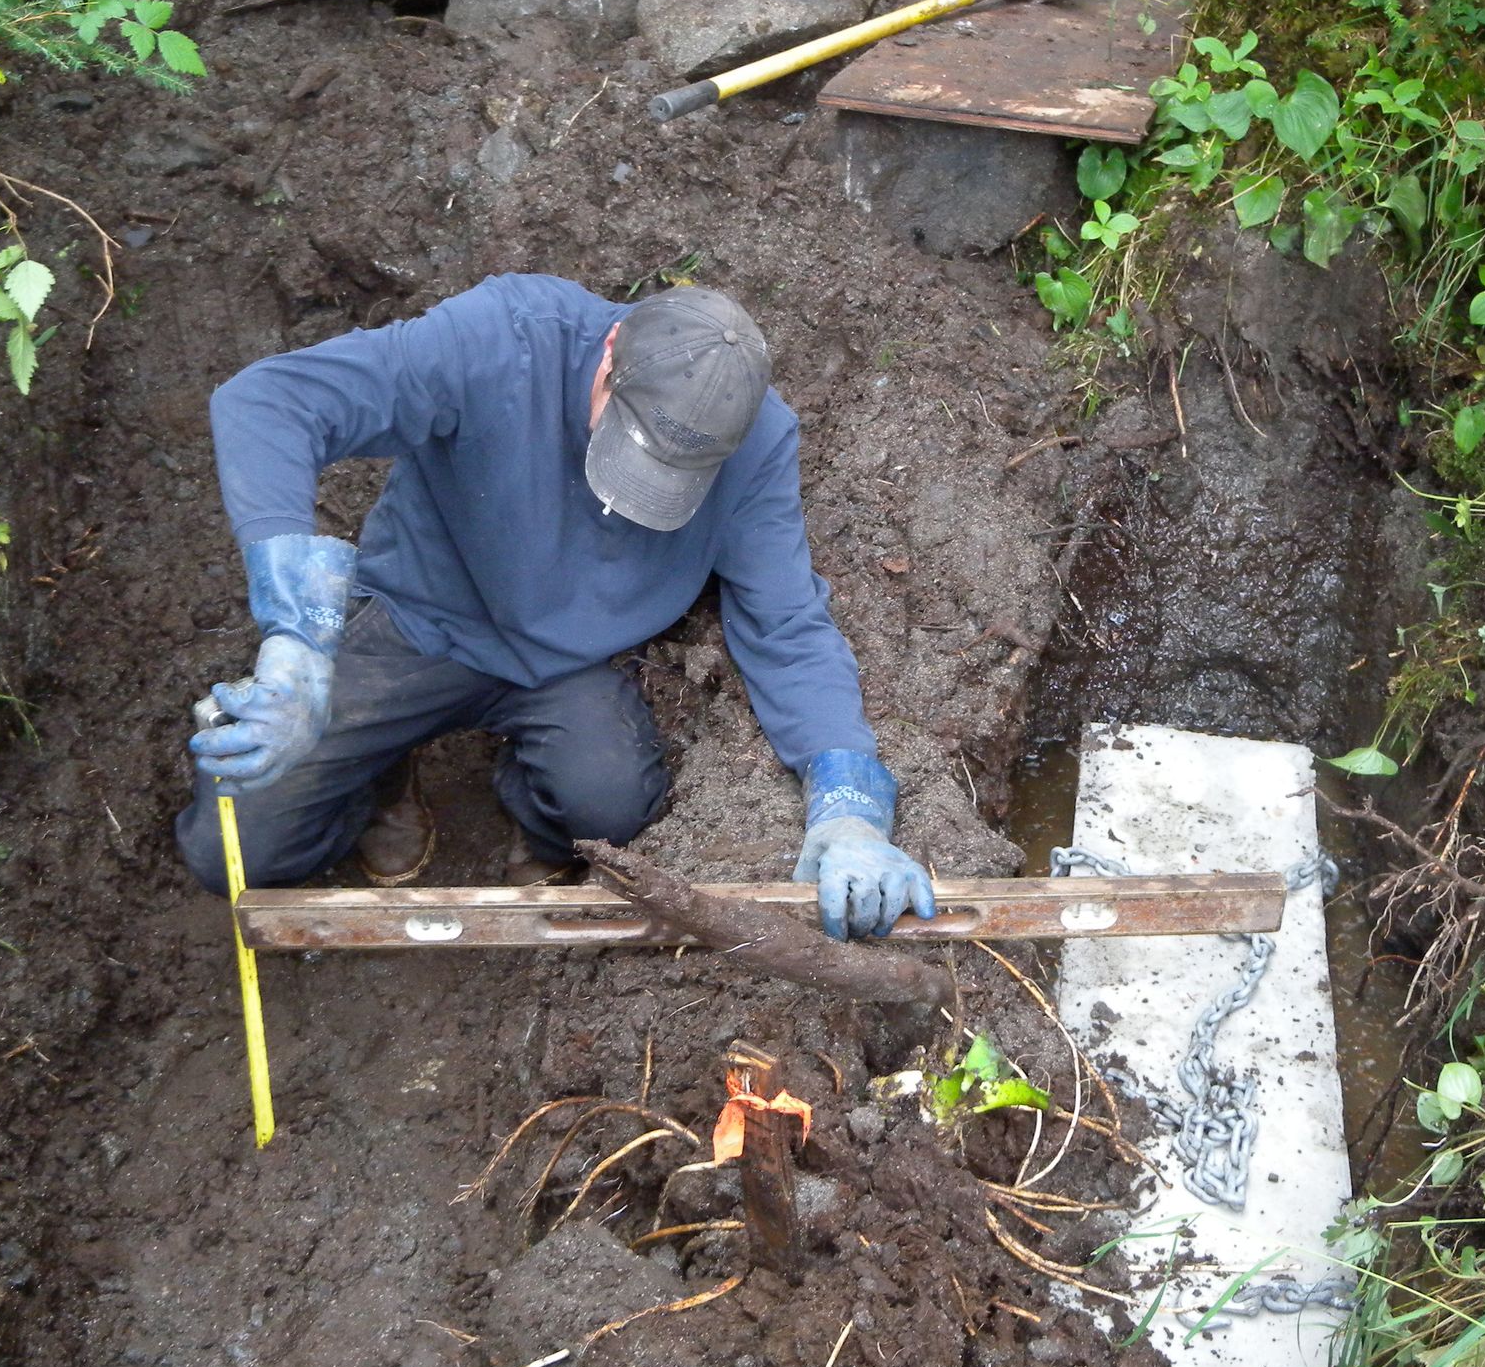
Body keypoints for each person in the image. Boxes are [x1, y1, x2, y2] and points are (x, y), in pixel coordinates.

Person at [174, 272, 934, 941]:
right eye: (634, 447)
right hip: (420, 618)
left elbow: (786, 620)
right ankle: (378, 779)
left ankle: (523, 804)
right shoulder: (504, 341)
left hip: (563, 666)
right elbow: (270, 400)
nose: (640, 490)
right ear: (608, 356)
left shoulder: (757, 441)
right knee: (236, 856)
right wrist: (297, 636)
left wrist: (848, 803)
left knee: (605, 808)